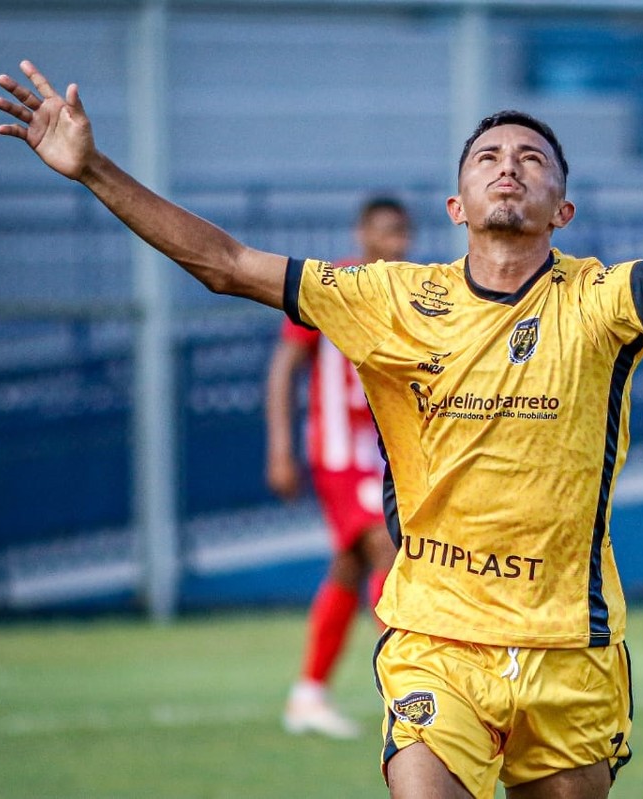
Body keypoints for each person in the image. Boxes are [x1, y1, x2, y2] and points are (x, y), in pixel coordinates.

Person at [0, 50, 643, 799]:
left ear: (561, 207)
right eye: (488, 158)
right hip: (435, 639)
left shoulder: (605, 299)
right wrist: (95, 171)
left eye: (531, 158)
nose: (508, 167)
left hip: (574, 647)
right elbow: (229, 262)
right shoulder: (390, 298)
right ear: (457, 206)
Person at [265, 196, 411, 738]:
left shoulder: (411, 292)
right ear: (362, 235)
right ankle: (413, 689)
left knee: (349, 567)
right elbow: (284, 367)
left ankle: (307, 694)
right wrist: (280, 448)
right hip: (339, 455)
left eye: (402, 232)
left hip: (384, 454)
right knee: (387, 550)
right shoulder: (333, 288)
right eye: (385, 231)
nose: (395, 242)